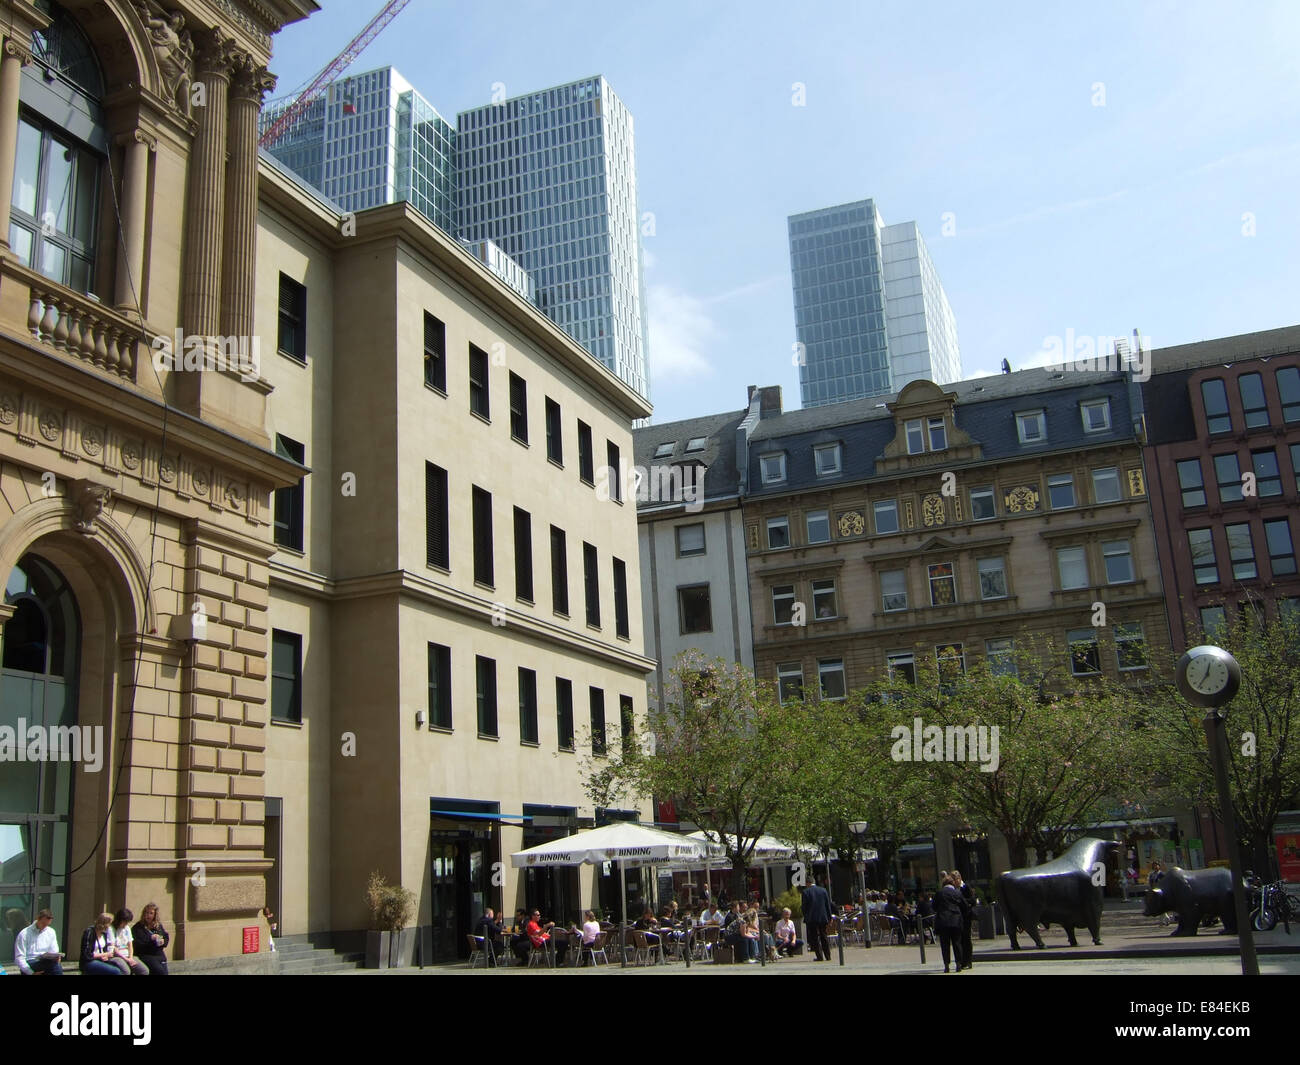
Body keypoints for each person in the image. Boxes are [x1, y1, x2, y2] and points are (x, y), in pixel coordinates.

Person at [934, 874, 970, 973]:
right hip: (956, 920)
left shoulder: (939, 893)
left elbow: (934, 906)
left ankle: (946, 965)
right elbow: (965, 906)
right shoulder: (957, 893)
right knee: (957, 943)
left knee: (945, 944)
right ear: (952, 883)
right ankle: (958, 963)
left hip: (943, 921)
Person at [15, 909, 63, 975]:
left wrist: (56, 957)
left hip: (46, 961)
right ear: (38, 919)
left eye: (47, 925)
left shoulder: (51, 932)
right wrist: (31, 973)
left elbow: (54, 951)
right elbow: (19, 957)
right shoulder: (24, 933)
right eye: (43, 924)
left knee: (55, 964)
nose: (45, 927)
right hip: (30, 962)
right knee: (54, 966)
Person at [132, 903, 170, 975]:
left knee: (164, 973)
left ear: (155, 915)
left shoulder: (158, 926)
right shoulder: (138, 927)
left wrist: (163, 941)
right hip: (146, 955)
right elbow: (138, 943)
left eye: (151, 913)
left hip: (159, 955)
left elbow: (165, 936)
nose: (148, 915)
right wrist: (151, 939)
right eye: (146, 913)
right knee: (160, 972)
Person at [800, 877, 833, 961]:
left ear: (807, 883)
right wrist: (829, 917)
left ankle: (819, 956)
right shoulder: (823, 890)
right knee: (824, 936)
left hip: (811, 918)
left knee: (814, 938)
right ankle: (828, 956)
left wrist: (806, 916)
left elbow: (804, 907)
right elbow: (828, 905)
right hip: (823, 917)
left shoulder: (805, 892)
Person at [111, 909, 148, 974]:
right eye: (125, 922)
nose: (126, 924)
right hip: (117, 956)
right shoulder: (111, 929)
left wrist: (130, 958)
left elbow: (130, 945)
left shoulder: (127, 928)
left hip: (128, 955)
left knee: (144, 970)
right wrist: (126, 959)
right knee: (126, 971)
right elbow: (113, 948)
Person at [952, 871, 976, 970]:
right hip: (957, 917)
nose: (954, 882)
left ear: (959, 878)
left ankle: (968, 960)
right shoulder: (953, 889)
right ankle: (962, 961)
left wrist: (963, 901)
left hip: (966, 917)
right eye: (953, 880)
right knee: (959, 940)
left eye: (956, 879)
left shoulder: (966, 888)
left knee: (966, 938)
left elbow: (973, 901)